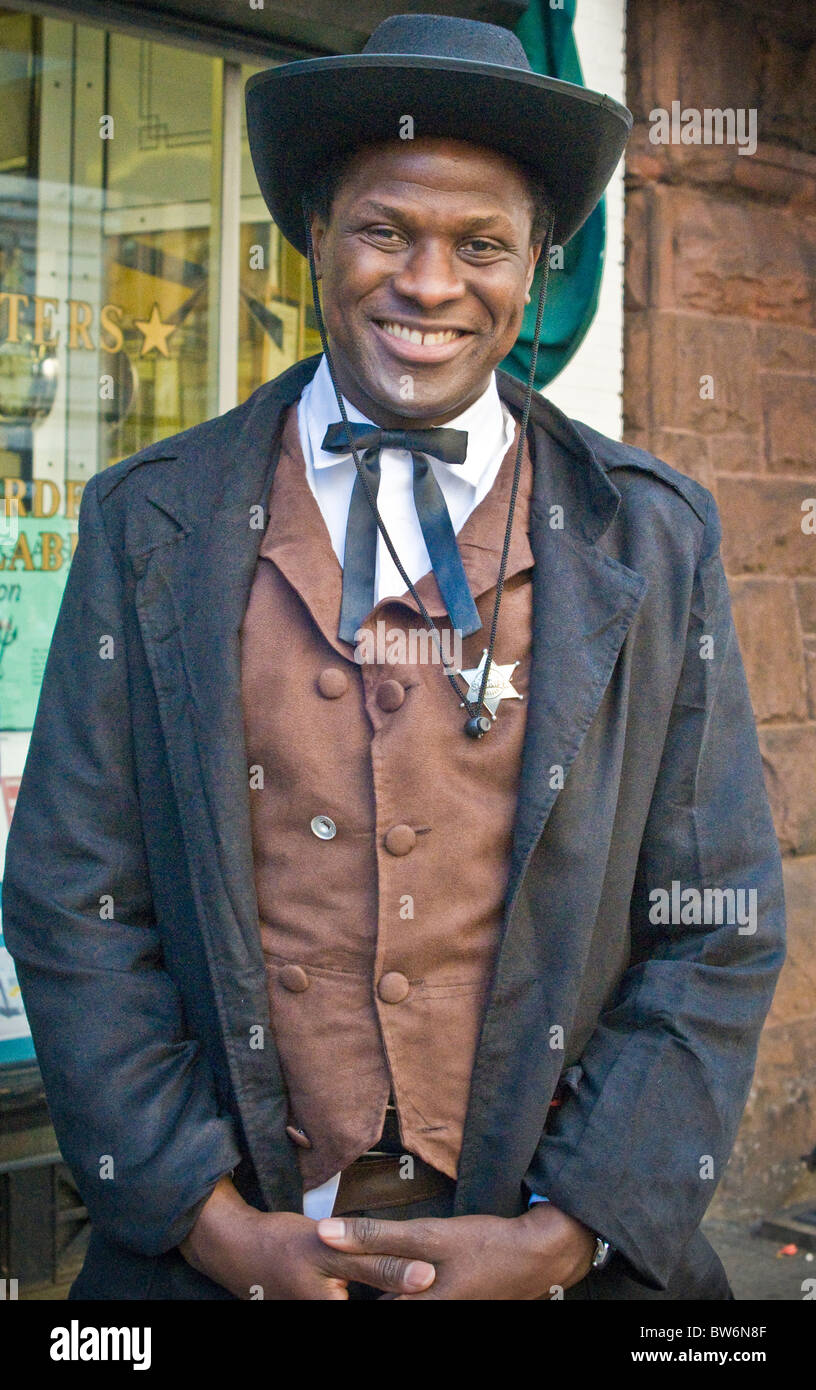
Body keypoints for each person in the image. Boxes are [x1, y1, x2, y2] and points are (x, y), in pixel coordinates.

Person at [2, 14, 785, 1301]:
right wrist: (208, 1223)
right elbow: (75, 901)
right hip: (232, 1242)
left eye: (482, 244)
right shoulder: (151, 519)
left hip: (552, 1253)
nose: (430, 285)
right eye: (384, 231)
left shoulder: (650, 532)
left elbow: (715, 923)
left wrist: (567, 1232)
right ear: (315, 238)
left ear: (537, 267)